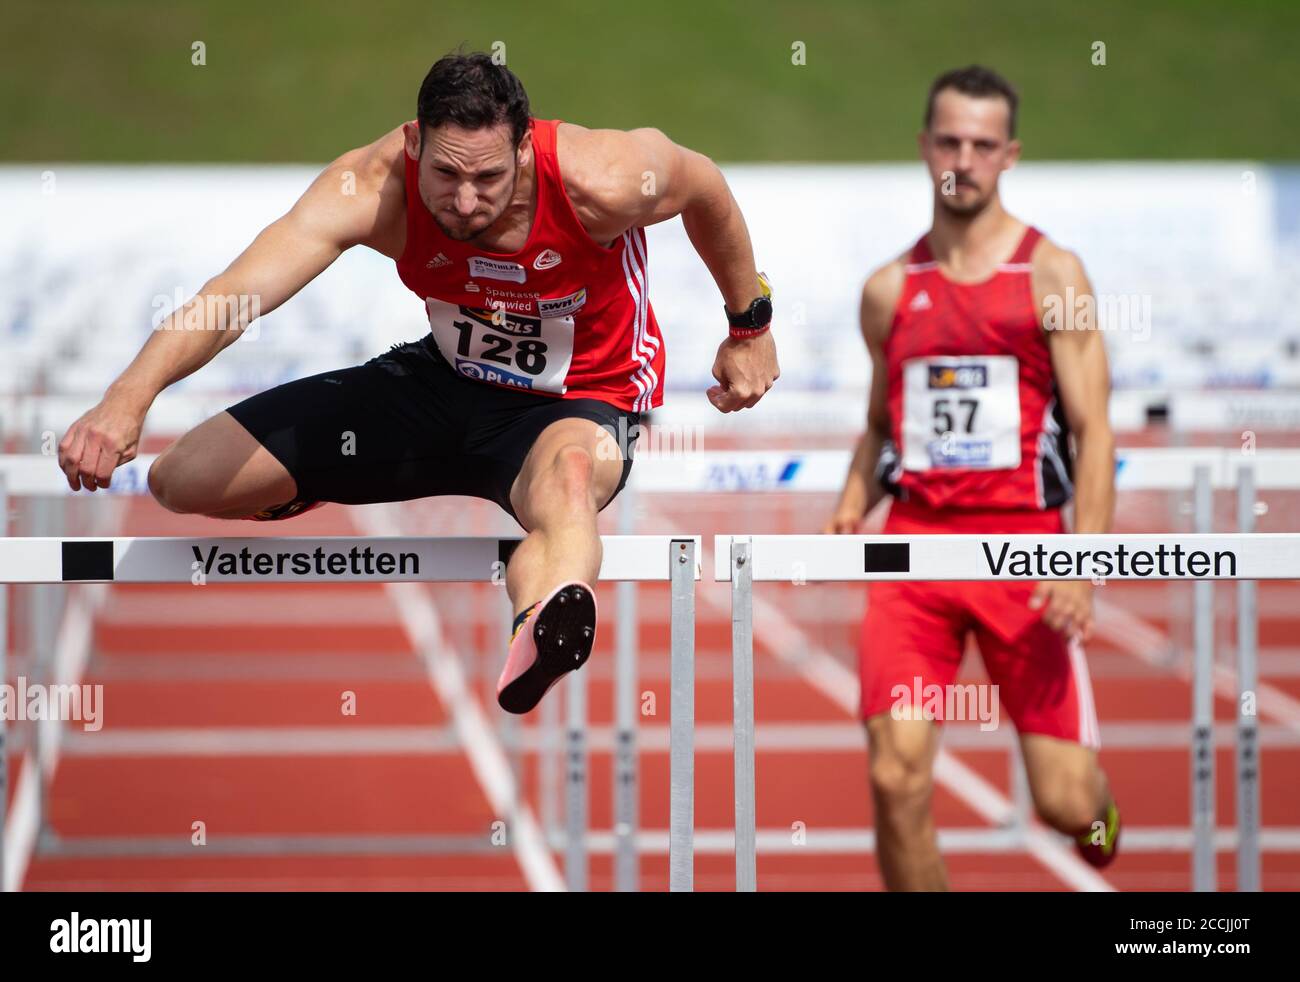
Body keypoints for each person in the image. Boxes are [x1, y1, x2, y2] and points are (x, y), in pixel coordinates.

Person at [57, 51, 778, 714]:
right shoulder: (371, 188)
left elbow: (705, 187)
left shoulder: (602, 178)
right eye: (446, 176)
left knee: (569, 480)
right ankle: (318, 477)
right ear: (414, 146)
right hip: (443, 383)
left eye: (489, 179)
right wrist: (127, 399)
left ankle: (541, 623)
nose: (465, 202)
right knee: (183, 479)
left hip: (580, 400)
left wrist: (749, 326)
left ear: (525, 150)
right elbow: (237, 294)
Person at [826, 65, 1120, 889]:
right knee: (895, 775)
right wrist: (854, 500)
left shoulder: (1052, 275)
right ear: (925, 148)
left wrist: (1083, 561)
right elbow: (885, 424)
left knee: (1068, 806)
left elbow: (1095, 433)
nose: (965, 158)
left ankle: (1104, 818)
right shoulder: (889, 290)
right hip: (913, 552)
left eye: (983, 145)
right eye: (949, 140)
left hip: (1025, 550)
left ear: (1009, 155)